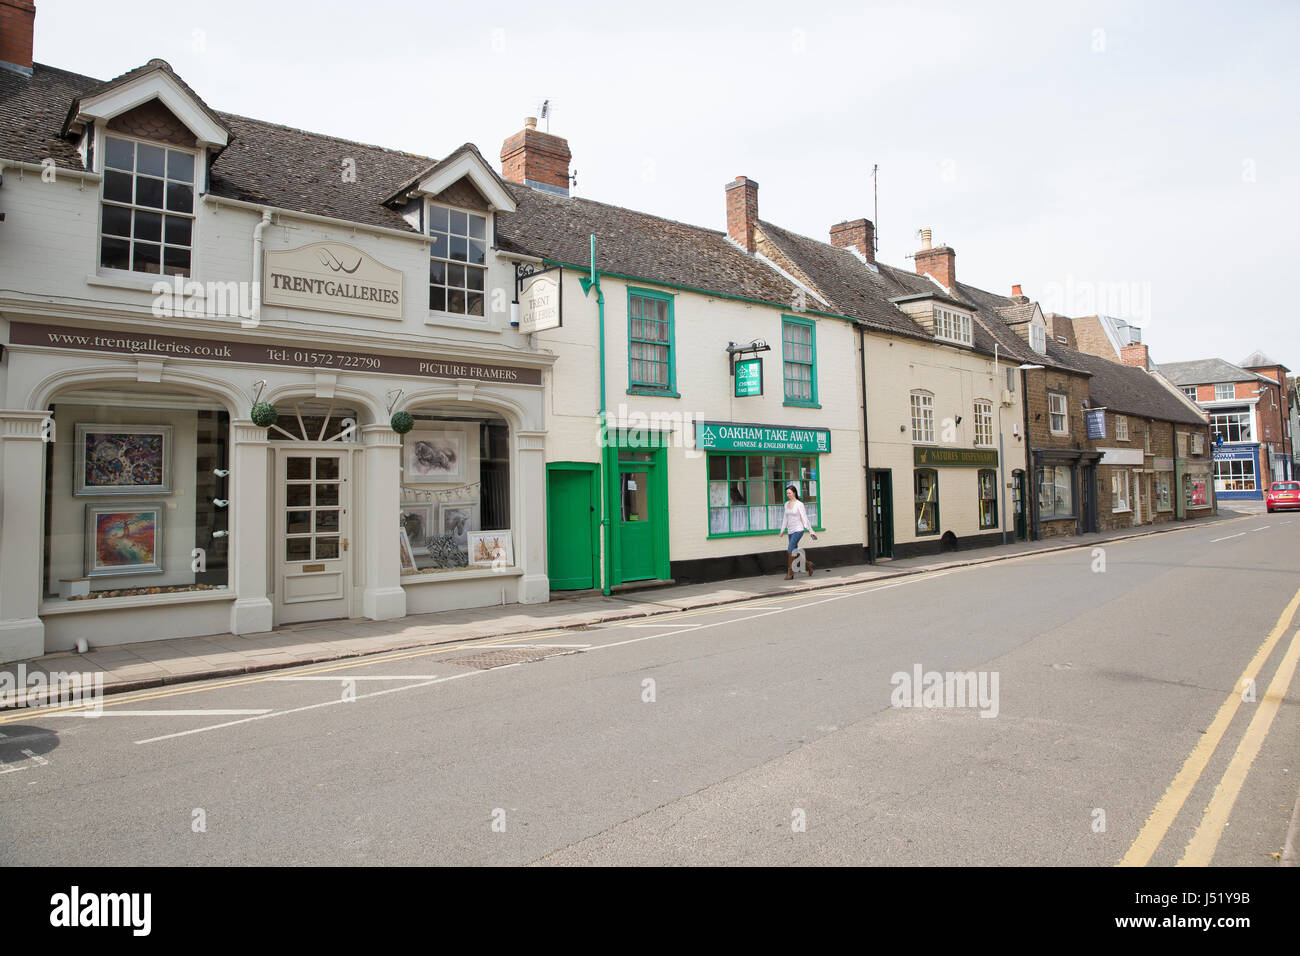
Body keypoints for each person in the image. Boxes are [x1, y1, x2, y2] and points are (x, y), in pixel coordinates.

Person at [778, 483, 817, 579]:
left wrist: (811, 530)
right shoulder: (786, 504)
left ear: (794, 493)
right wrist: (782, 530)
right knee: (794, 551)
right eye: (787, 493)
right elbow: (785, 518)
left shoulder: (800, 504)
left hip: (798, 530)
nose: (788, 495)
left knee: (790, 550)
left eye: (790, 493)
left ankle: (790, 573)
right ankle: (809, 565)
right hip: (790, 530)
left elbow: (805, 518)